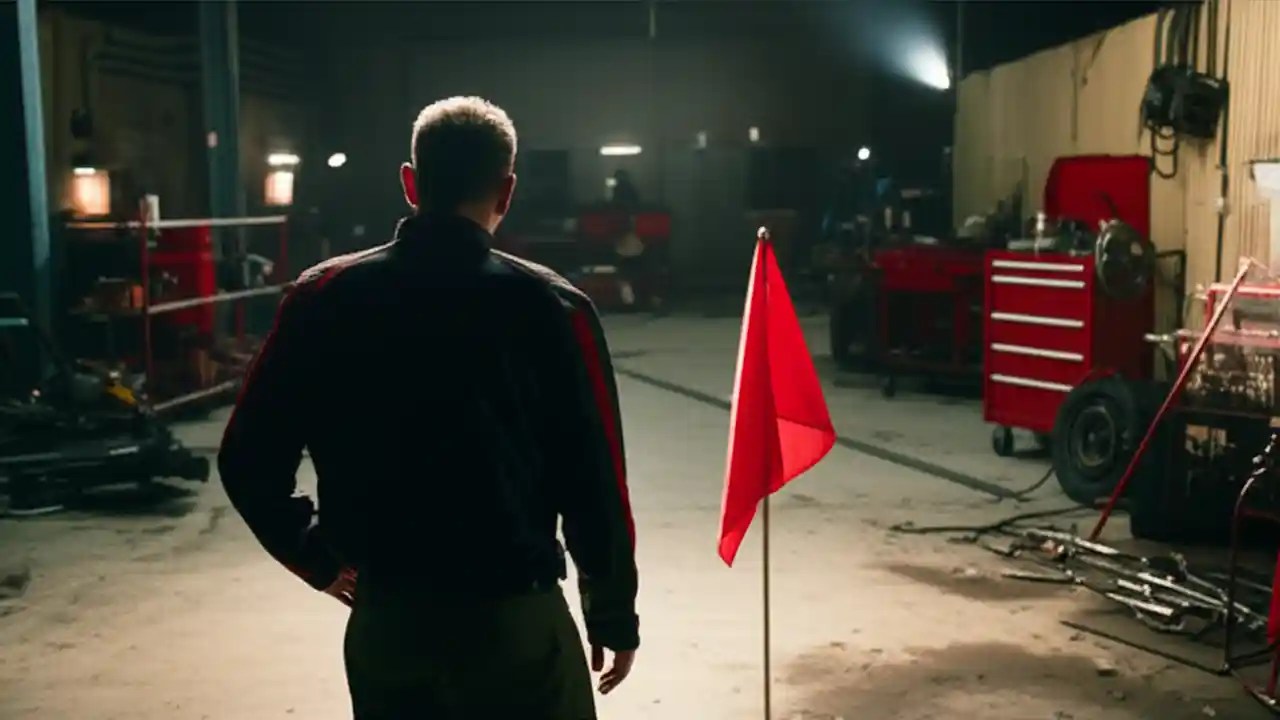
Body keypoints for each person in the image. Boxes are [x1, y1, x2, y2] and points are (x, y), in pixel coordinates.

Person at [218, 96, 640, 720]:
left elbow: (247, 458)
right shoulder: (552, 307)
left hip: (389, 623)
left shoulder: (322, 299)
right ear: (507, 189)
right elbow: (595, 480)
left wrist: (316, 557)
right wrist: (611, 612)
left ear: (411, 183)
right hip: (515, 624)